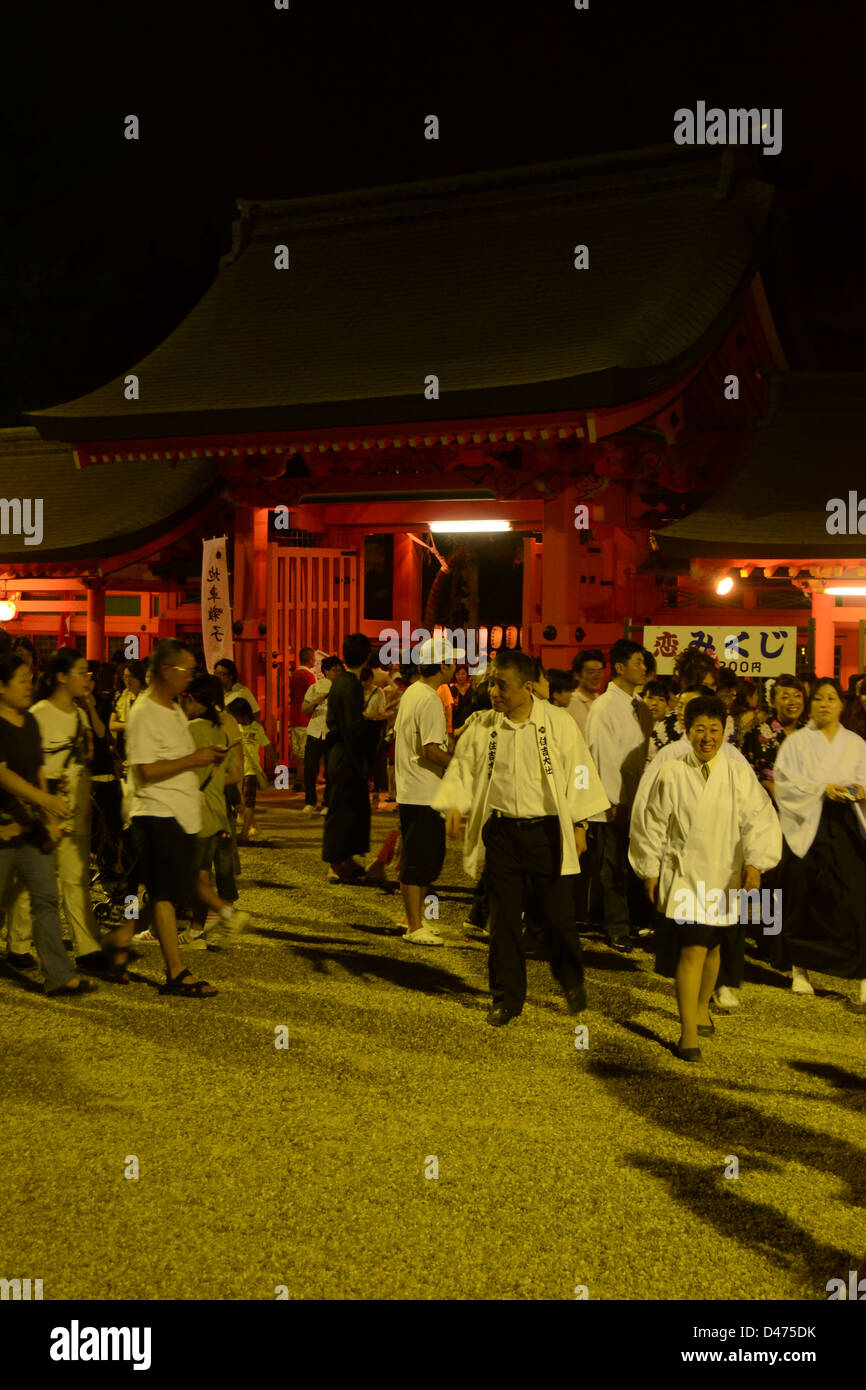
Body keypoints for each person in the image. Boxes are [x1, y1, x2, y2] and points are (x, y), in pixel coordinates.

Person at [432, 650, 609, 1024]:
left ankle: (571, 980)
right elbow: (464, 765)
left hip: (546, 832)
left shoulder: (557, 723)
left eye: (503, 686)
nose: (495, 692)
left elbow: (580, 771)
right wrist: (454, 804)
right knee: (504, 920)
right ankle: (506, 997)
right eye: (492, 684)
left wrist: (581, 824)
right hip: (502, 833)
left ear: (528, 687)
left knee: (558, 918)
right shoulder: (484, 725)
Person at [629, 695, 782, 1060]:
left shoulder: (737, 771)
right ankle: (687, 1033)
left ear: (724, 730)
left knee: (715, 946)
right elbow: (652, 822)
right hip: (686, 872)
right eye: (700, 729)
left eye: (714, 729)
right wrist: (648, 868)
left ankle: (701, 1006)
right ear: (687, 729)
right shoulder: (671, 770)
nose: (707, 737)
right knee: (693, 948)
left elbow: (758, 817)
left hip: (726, 874)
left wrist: (756, 864)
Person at [126, 639, 228, 997]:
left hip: (178, 813)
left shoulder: (171, 709)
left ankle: (111, 947)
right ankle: (176, 971)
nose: (190, 679)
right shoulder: (144, 712)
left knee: (167, 891)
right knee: (166, 894)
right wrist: (195, 760)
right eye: (186, 671)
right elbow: (146, 770)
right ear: (168, 671)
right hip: (156, 812)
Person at [0, 653, 97, 997]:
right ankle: (19, 948)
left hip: (31, 826)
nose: (29, 685)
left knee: (45, 898)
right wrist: (44, 801)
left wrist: (47, 815)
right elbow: (3, 773)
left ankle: (58, 974)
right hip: (4, 829)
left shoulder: (28, 722)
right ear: (2, 686)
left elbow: (39, 769)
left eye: (30, 678)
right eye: (22, 679)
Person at [773, 677, 866, 1004]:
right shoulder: (797, 743)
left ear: (842, 704)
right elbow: (784, 784)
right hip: (807, 824)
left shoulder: (855, 743)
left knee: (854, 897)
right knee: (805, 895)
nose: (825, 704)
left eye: (832, 698)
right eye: (819, 699)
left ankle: (862, 974)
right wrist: (820, 788)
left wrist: (858, 791)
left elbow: (864, 781)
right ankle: (801, 968)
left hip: (844, 824)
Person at [31, 649, 116, 977]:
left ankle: (87, 948)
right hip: (46, 807)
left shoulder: (81, 714)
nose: (88, 678)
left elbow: (91, 751)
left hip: (77, 808)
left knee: (76, 879)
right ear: (61, 676)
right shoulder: (38, 714)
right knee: (30, 882)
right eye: (81, 672)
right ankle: (19, 944)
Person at [585, 639, 653, 952]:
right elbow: (603, 758)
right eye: (638, 662)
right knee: (612, 864)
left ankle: (628, 920)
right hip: (615, 799)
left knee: (632, 861)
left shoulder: (637, 706)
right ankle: (615, 926)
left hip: (636, 797)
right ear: (621, 667)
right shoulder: (604, 708)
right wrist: (614, 801)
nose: (644, 667)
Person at [180, 675, 252, 947]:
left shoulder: (193, 729)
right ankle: (197, 929)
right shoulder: (222, 727)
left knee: (192, 873)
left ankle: (227, 913)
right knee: (201, 872)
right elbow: (234, 772)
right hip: (214, 809)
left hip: (196, 811)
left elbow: (179, 770)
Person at [394, 637, 455, 946]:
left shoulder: (412, 693)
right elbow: (431, 750)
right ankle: (414, 925)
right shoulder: (430, 698)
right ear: (442, 665)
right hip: (424, 789)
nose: (455, 666)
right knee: (421, 861)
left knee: (416, 857)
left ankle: (412, 920)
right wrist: (459, 764)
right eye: (452, 661)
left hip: (410, 787)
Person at [321, 632, 379, 884]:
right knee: (344, 809)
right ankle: (336, 862)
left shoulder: (341, 682)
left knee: (349, 808)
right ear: (367, 656)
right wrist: (373, 724)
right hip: (346, 755)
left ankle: (344, 859)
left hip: (340, 752)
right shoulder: (351, 685)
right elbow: (353, 727)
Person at [741, 675, 807, 802]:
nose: (793, 701)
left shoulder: (811, 734)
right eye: (785, 697)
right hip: (768, 803)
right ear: (772, 702)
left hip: (805, 805)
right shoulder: (757, 734)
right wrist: (767, 784)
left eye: (797, 695)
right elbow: (744, 770)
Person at [300, 655, 342, 813]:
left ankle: (328, 803)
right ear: (325, 671)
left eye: (339, 670)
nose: (337, 673)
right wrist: (317, 700)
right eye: (334, 670)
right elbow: (304, 709)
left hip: (333, 733)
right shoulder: (315, 688)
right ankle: (310, 801)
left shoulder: (342, 690)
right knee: (310, 768)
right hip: (315, 731)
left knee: (332, 770)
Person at [226, 698, 271, 843]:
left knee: (249, 802)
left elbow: (267, 745)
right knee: (240, 801)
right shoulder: (235, 728)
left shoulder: (256, 728)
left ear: (242, 714)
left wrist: (276, 763)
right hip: (237, 770)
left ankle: (244, 833)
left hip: (251, 770)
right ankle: (254, 826)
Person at [361, 665, 390, 810]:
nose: (363, 684)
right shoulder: (357, 691)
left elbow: (382, 713)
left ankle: (376, 793)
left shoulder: (378, 692)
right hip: (360, 729)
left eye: (365, 681)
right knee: (362, 760)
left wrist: (367, 716)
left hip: (374, 728)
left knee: (374, 760)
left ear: (371, 679)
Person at [289, 648, 317, 793]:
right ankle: (302, 779)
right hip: (306, 718)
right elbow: (314, 695)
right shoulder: (309, 676)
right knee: (305, 752)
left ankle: (297, 779)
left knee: (297, 750)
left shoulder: (294, 675)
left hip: (294, 717)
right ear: (311, 659)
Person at [567, 649, 604, 736]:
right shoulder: (570, 703)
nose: (597, 676)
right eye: (591, 672)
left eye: (599, 671)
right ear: (577, 675)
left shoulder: (602, 701)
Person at [450, 665, 475, 730]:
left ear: (467, 674)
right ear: (455, 675)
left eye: (463, 674)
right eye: (458, 674)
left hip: (470, 720)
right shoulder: (452, 689)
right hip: (456, 721)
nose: (460, 677)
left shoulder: (472, 688)